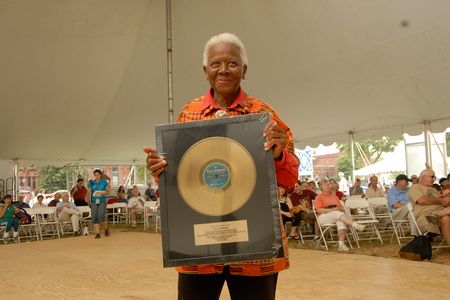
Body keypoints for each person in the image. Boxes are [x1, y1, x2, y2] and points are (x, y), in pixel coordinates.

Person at [144, 32, 299, 300]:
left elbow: (290, 179)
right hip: (198, 251)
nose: (223, 70)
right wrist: (160, 170)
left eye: (232, 63)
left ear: (244, 69)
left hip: (256, 249)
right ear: (205, 71)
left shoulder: (264, 116)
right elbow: (181, 182)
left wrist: (277, 154)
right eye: (216, 64)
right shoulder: (187, 114)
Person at [314, 180, 365, 251]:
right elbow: (319, 210)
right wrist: (332, 210)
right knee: (337, 214)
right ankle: (355, 225)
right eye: (325, 185)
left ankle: (341, 244)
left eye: (328, 184)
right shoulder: (319, 197)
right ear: (321, 187)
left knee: (341, 221)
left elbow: (341, 208)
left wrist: (336, 210)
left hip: (336, 215)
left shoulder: (334, 197)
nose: (327, 186)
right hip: (323, 217)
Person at [409, 169, 450, 245]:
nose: (434, 179)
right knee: (445, 218)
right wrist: (441, 200)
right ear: (422, 177)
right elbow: (421, 200)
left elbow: (442, 202)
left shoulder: (433, 189)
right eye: (432, 176)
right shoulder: (416, 187)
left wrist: (446, 197)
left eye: (434, 177)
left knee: (445, 218)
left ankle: (437, 215)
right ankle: (437, 215)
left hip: (440, 214)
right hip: (426, 218)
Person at [87, 169, 111, 239]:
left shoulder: (104, 182)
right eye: (95, 175)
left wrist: (102, 193)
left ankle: (106, 228)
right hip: (94, 201)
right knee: (94, 217)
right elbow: (89, 191)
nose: (97, 176)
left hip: (102, 201)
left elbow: (108, 192)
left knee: (101, 216)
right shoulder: (91, 183)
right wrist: (86, 197)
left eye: (98, 175)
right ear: (94, 175)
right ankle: (98, 233)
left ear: (100, 175)